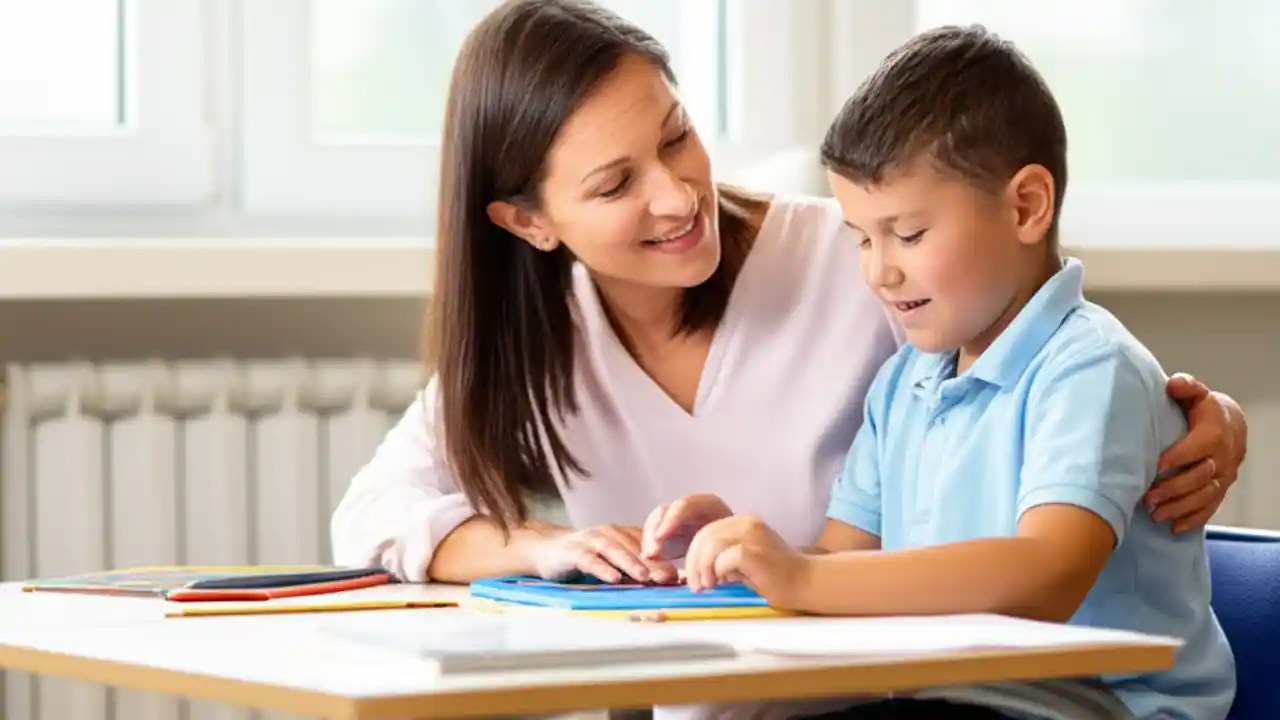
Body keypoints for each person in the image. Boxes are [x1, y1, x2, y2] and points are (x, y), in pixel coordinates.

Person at [330, 1, 1247, 717]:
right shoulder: (538, 342)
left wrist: (1201, 414)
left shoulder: (856, 265)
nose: (676, 193)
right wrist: (565, 548)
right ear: (529, 221)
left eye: (676, 135)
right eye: (614, 184)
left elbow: (1046, 341)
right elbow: (374, 510)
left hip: (951, 698)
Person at [668, 25, 1235, 720]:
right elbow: (842, 561)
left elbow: (1045, 576)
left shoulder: (1089, 368)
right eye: (862, 238)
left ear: (1026, 206)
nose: (880, 270)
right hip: (959, 697)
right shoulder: (905, 380)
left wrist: (805, 576)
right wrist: (749, 560)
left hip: (1095, 706)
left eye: (908, 234)